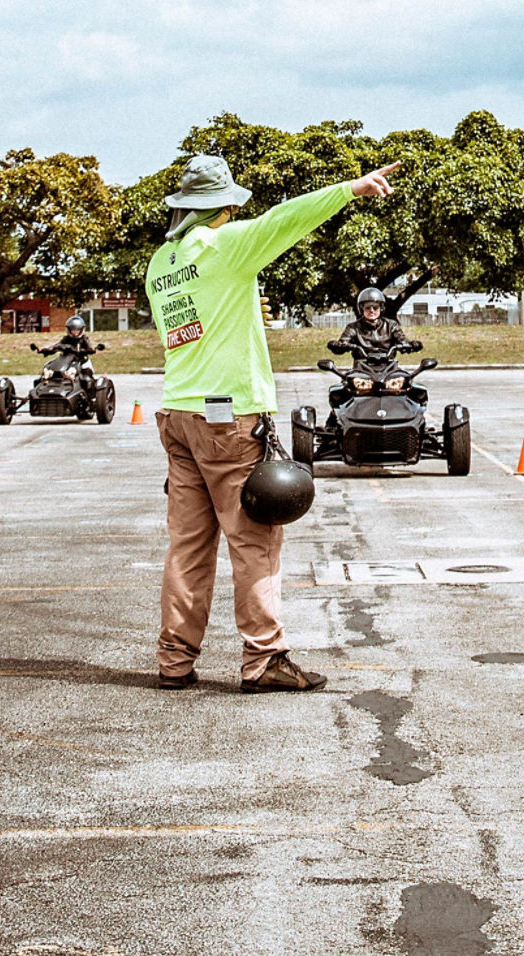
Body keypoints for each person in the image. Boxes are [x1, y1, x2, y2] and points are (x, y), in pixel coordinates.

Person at [144, 153, 400, 694]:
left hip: (177, 412)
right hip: (226, 417)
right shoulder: (226, 246)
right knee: (254, 539)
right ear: (224, 205)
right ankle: (263, 659)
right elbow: (284, 219)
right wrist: (348, 190)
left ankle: (174, 659)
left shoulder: (162, 263)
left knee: (188, 545)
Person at [328, 287, 419, 369]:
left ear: (381, 308)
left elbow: (403, 341)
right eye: (368, 307)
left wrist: (411, 345)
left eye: (375, 307)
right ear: (361, 308)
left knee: (406, 384)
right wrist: (338, 345)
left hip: (388, 367)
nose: (371, 310)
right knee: (344, 386)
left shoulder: (391, 325)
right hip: (361, 369)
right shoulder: (353, 327)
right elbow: (342, 344)